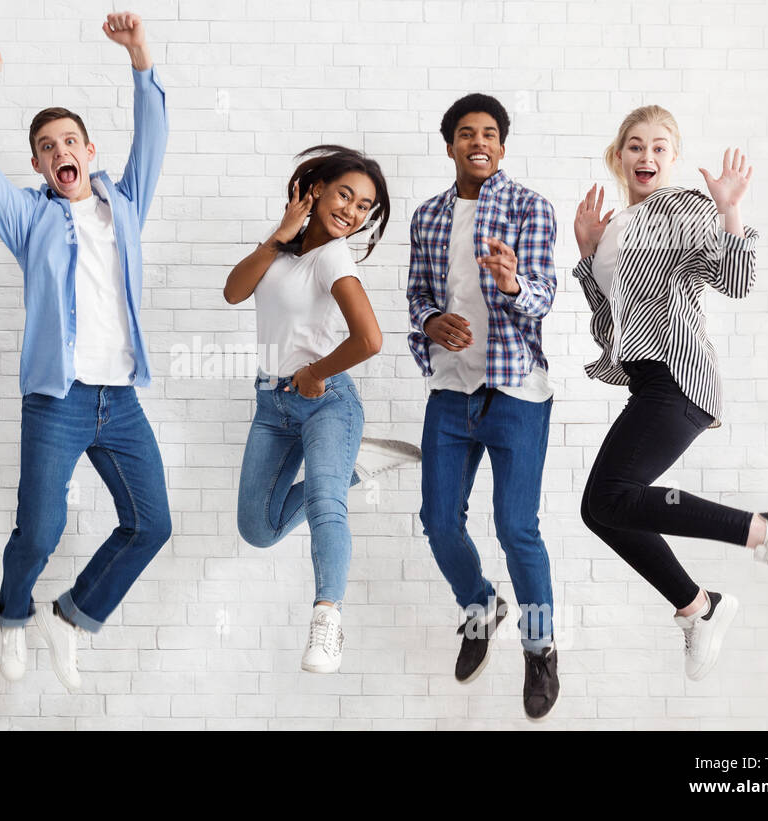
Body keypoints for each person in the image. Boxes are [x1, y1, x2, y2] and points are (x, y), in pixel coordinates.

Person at [0, 14, 170, 693]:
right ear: (40, 166)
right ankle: (13, 613)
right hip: (57, 399)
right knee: (39, 532)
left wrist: (139, 56)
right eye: (47, 147)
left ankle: (72, 617)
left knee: (151, 523)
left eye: (69, 140)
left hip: (121, 399)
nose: (59, 151)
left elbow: (155, 134)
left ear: (89, 149)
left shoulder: (125, 203)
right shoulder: (29, 217)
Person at [573, 104, 768, 682]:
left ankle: (766, 529)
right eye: (636, 146)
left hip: (677, 375)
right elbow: (607, 324)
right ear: (619, 156)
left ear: (673, 158)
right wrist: (589, 255)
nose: (647, 156)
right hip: (647, 380)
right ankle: (699, 606)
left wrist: (731, 209)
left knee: (608, 499)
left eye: (660, 147)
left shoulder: (683, 207)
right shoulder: (615, 228)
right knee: (604, 508)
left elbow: (735, 280)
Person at [225, 145, 418, 674]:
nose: (353, 212)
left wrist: (314, 373)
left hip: (325, 401)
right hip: (272, 405)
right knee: (258, 529)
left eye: (365, 207)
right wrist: (279, 234)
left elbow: (371, 339)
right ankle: (360, 464)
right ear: (316, 191)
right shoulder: (285, 254)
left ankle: (327, 620)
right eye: (346, 196)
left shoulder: (335, 256)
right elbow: (232, 291)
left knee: (324, 504)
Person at [406, 93, 560, 719]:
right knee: (439, 522)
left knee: (516, 528)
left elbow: (545, 296)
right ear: (450, 146)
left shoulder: (530, 208)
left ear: (502, 145)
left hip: (517, 391)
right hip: (450, 390)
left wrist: (512, 283)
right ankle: (480, 604)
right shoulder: (427, 217)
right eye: (466, 132)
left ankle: (541, 647)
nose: (478, 141)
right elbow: (417, 293)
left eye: (490, 132)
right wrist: (432, 320)